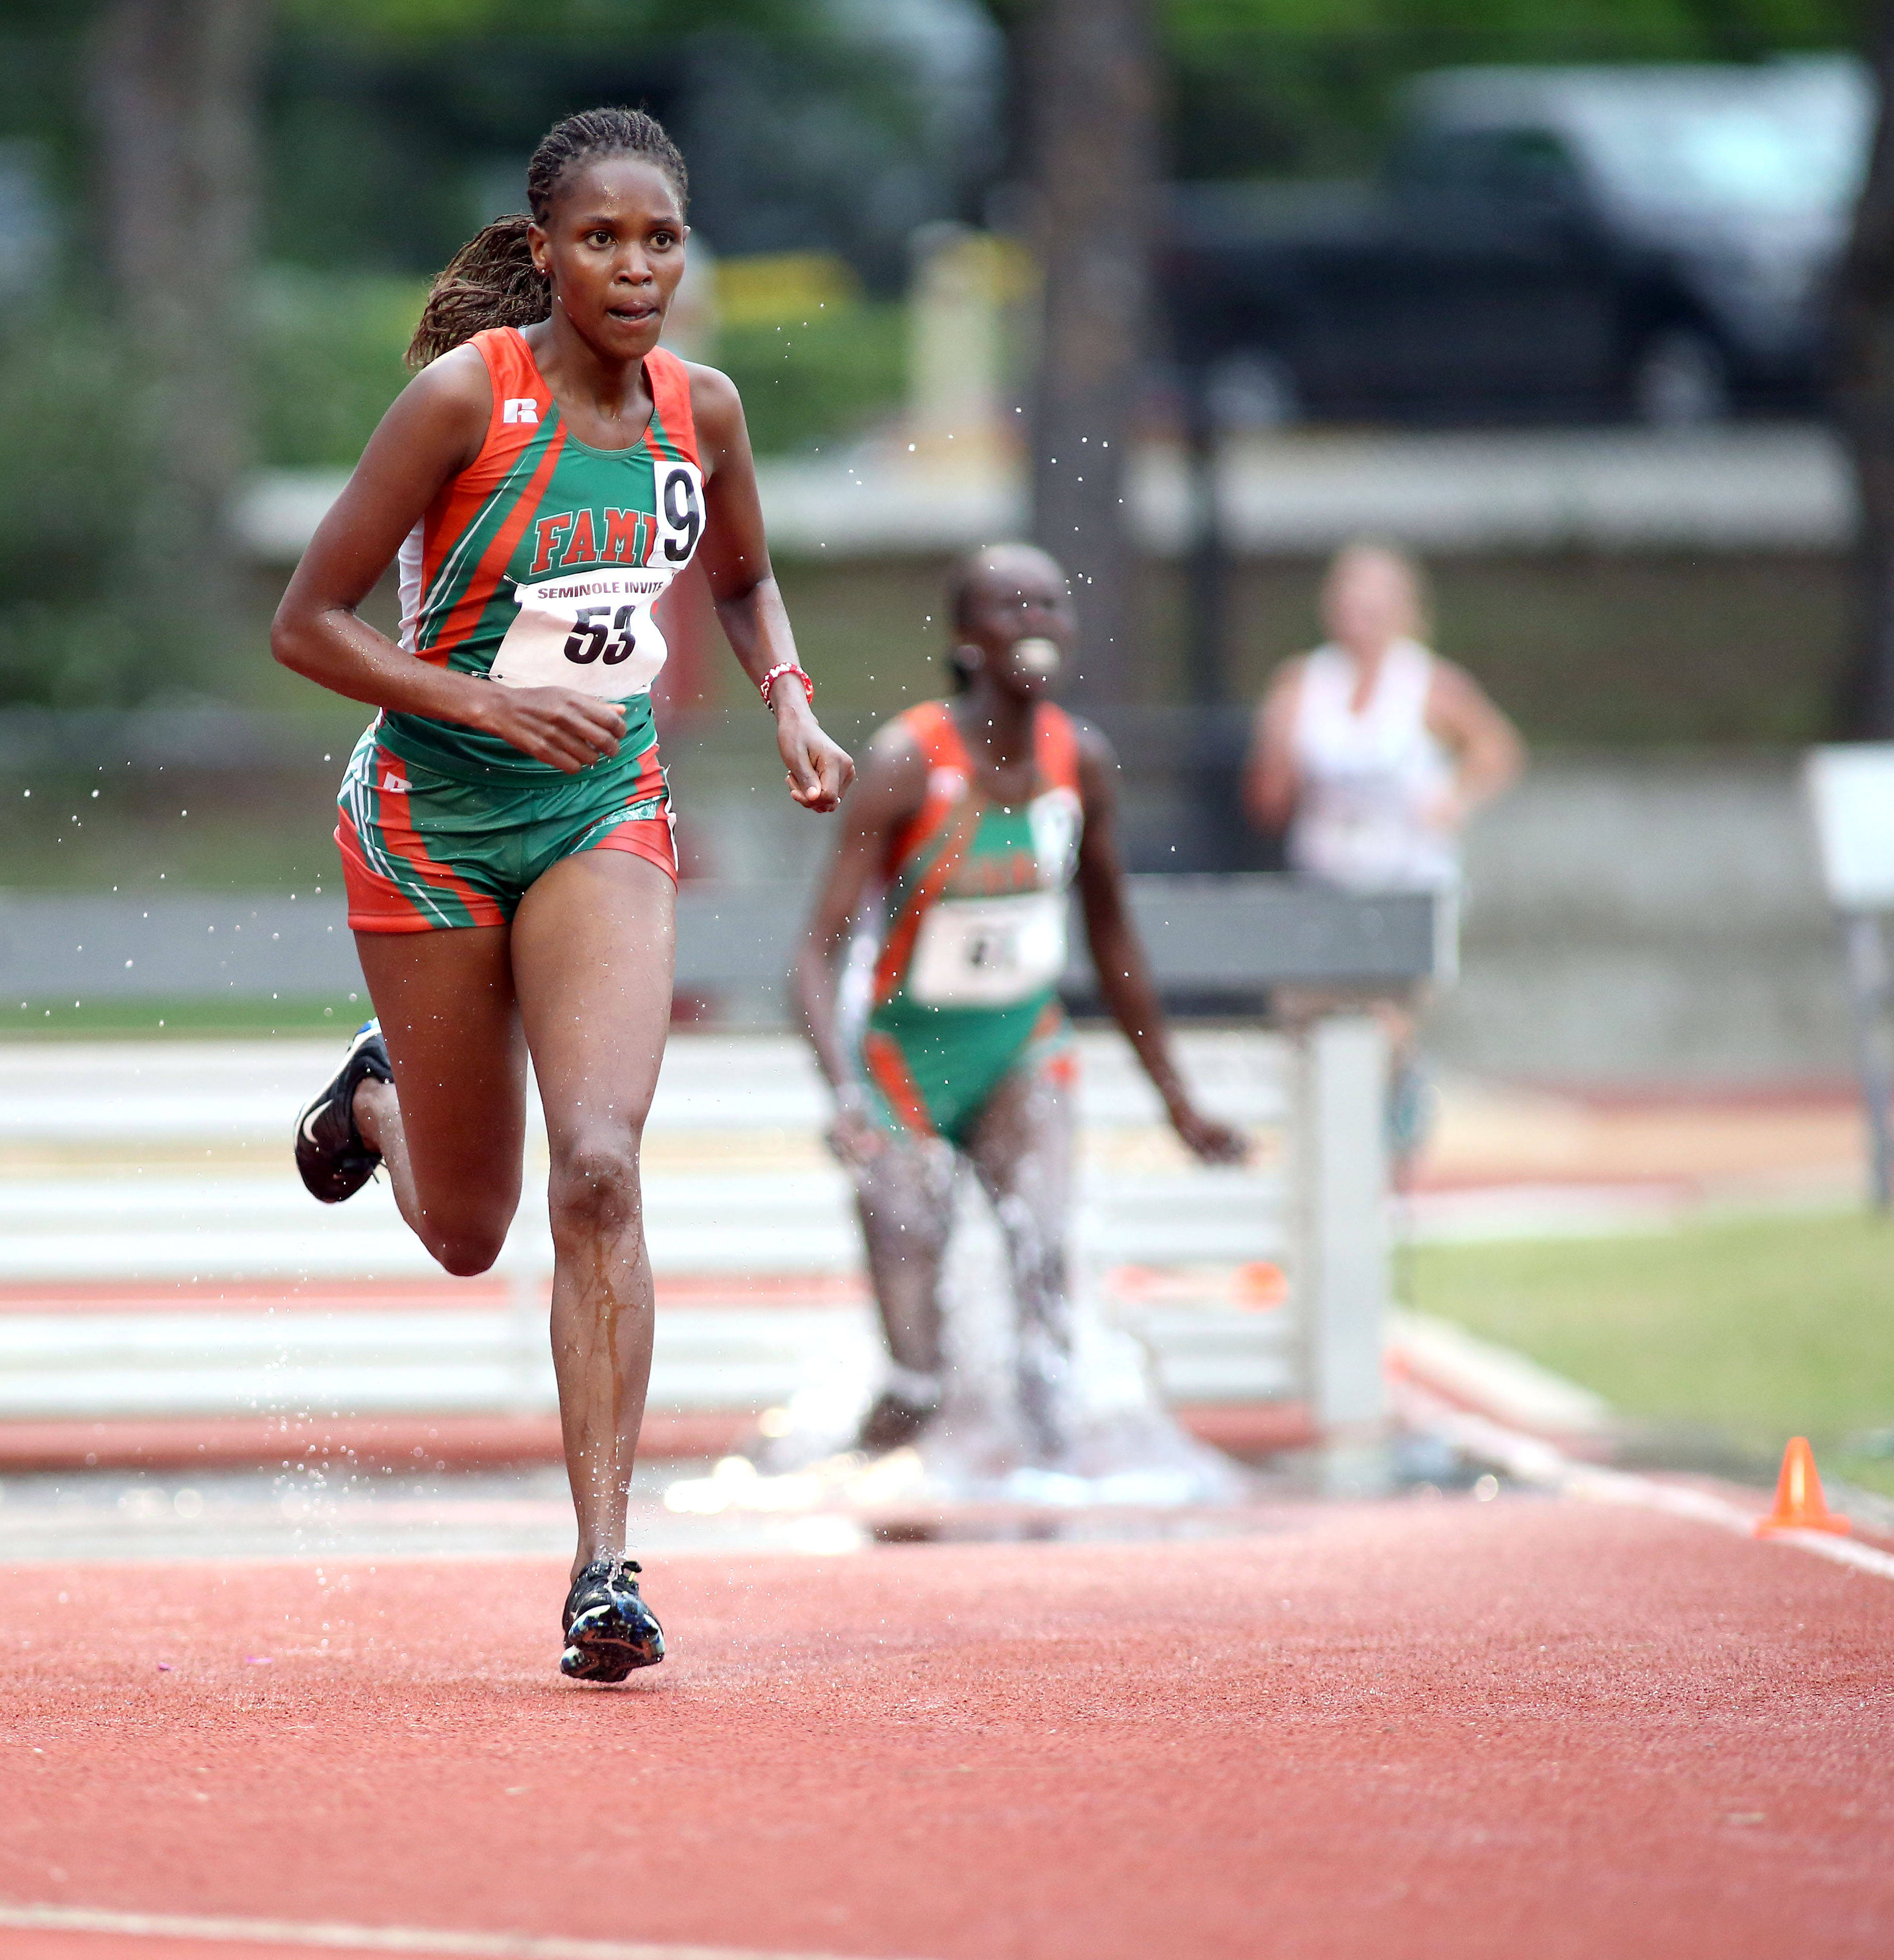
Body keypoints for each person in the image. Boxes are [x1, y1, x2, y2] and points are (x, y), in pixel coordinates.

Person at [270, 109, 853, 1684]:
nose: (636, 265)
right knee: (469, 1228)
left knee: (598, 1164)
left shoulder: (701, 412)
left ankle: (606, 1559)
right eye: (602, 238)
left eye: (660, 238)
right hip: (434, 828)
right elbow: (308, 624)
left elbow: (736, 576)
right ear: (545, 252)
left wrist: (789, 696)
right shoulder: (466, 400)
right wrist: (485, 707)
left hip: (605, 812)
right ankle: (386, 1100)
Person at [791, 544, 1246, 1465]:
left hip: (1019, 1048)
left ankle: (1053, 1499)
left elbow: (1113, 939)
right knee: (919, 1375)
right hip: (903, 1065)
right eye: (1011, 608)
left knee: (1045, 1282)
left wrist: (1178, 1101)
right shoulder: (905, 763)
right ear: (967, 638)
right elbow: (815, 952)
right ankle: (861, 1478)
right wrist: (843, 1091)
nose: (1036, 624)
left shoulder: (1081, 761)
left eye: (1051, 606)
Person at [1242, 542, 1525, 1165]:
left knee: (1383, 1021)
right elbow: (1266, 798)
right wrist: (1276, 760)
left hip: (1407, 881)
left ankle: (1386, 1130)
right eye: (1349, 597)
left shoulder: (1429, 684)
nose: (1359, 612)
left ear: (1405, 609)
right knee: (1307, 1020)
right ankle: (1335, 1141)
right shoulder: (1302, 683)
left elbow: (1499, 750)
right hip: (1327, 878)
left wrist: (1455, 796)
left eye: (1375, 600)